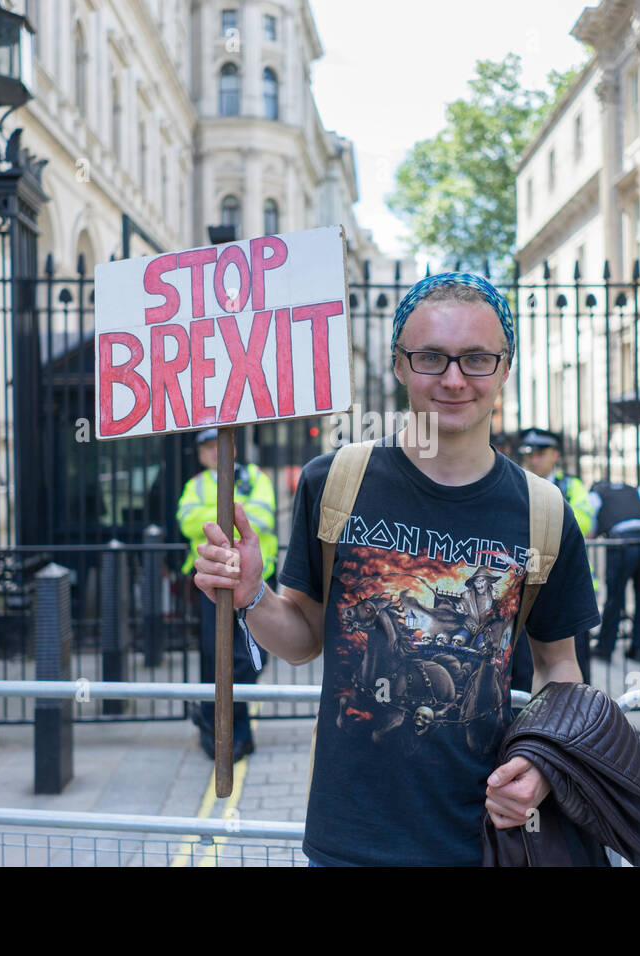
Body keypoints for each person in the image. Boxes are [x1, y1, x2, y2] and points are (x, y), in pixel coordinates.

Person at [189, 272, 600, 866]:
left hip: (487, 842)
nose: (454, 379)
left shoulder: (545, 511)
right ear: (400, 365)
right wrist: (253, 596)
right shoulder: (333, 482)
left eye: (477, 358)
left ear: (504, 369)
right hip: (347, 840)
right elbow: (303, 640)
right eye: (431, 357)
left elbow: (559, 665)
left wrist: (543, 761)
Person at [176, 427, 278, 760]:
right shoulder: (195, 485)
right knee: (213, 655)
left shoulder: (255, 476)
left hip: (255, 581)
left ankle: (217, 720)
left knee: (250, 658)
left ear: (230, 448)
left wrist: (216, 518)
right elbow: (187, 523)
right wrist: (232, 512)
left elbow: (262, 518)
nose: (211, 452)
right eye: (205, 447)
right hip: (212, 584)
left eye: (215, 445)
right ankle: (229, 732)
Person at [513, 426, 596, 685]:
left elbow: (583, 523)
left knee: (570, 667)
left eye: (541, 453)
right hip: (523, 589)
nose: (534, 459)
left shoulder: (572, 485)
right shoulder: (515, 484)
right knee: (524, 670)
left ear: (555, 455)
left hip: (566, 590)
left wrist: (542, 509)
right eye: (530, 454)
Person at [590, 477, 640, 663]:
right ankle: (636, 649)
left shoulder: (597, 493)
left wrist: (604, 526)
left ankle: (605, 649)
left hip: (622, 544)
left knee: (615, 598)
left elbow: (589, 527)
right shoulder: (636, 489)